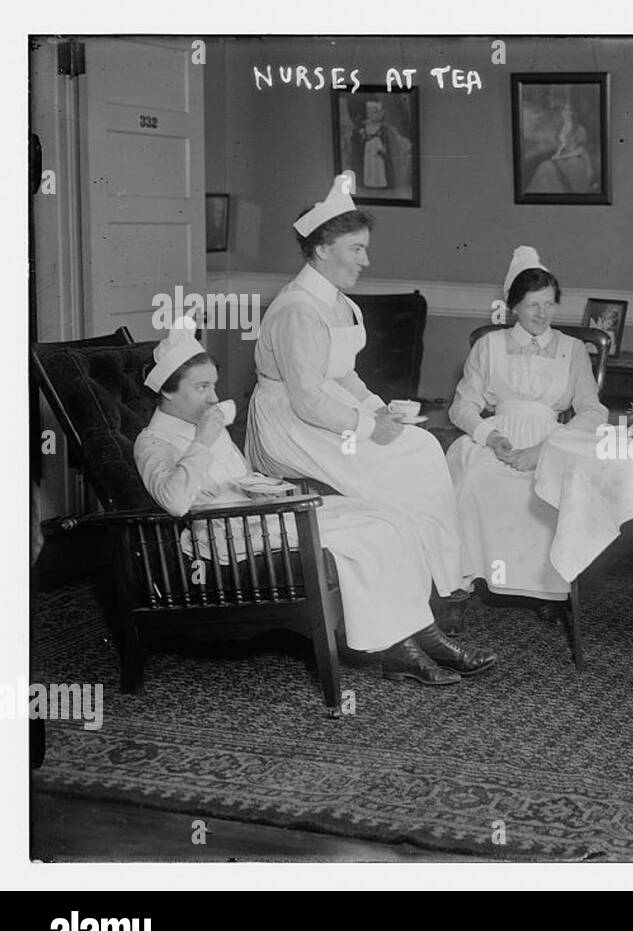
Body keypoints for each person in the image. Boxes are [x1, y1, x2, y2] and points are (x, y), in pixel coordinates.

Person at [135, 320, 478, 685]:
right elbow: (173, 500)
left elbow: (239, 477)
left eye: (213, 386)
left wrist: (264, 487)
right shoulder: (153, 442)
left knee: (391, 515)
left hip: (263, 515)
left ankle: (422, 634)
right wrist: (202, 442)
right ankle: (397, 651)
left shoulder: (202, 422)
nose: (213, 398)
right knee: (369, 534)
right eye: (202, 387)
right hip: (229, 536)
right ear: (169, 392)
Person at [245, 173, 489, 665]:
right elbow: (307, 399)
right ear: (320, 251)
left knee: (420, 449)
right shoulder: (297, 308)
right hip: (289, 426)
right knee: (395, 472)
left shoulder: (340, 303)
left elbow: (345, 376)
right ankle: (404, 618)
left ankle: (429, 598)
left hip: (328, 412)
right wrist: (366, 428)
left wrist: (377, 407)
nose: (366, 260)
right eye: (356, 249)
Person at [446, 247, 607, 616]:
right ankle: (462, 584)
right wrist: (491, 437)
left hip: (551, 439)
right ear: (513, 306)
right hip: (496, 436)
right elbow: (462, 406)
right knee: (473, 479)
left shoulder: (571, 349)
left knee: (546, 489)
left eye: (549, 304)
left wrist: (547, 447)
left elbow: (592, 411)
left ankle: (543, 589)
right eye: (533, 305)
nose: (542, 314)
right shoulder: (490, 346)